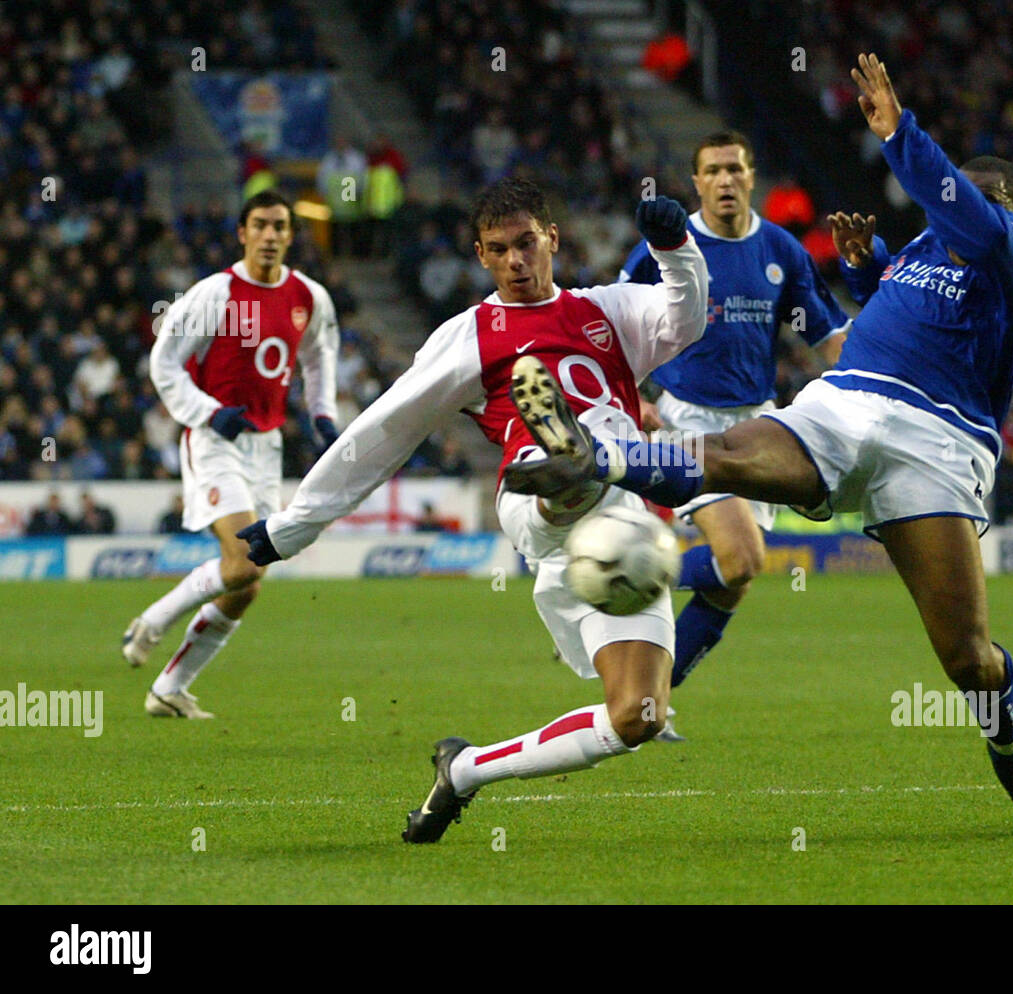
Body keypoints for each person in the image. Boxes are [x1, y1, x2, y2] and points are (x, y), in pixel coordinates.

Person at [506, 54, 1013, 834]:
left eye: (976, 200)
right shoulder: (926, 251)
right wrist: (871, 269)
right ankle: (599, 458)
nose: (960, 211)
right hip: (844, 401)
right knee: (729, 456)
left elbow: (972, 232)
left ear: (1012, 206)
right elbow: (901, 315)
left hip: (937, 443)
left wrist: (900, 135)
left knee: (968, 659)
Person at [237, 177, 708, 843]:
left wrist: (676, 249)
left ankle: (464, 770)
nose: (516, 262)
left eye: (526, 245)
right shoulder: (470, 335)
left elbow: (685, 322)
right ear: (480, 257)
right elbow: (383, 431)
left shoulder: (608, 311)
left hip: (625, 532)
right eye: (499, 251)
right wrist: (293, 525)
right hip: (532, 501)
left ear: (551, 238)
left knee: (640, 717)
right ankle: (567, 467)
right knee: (567, 477)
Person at [619, 130, 850, 694]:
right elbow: (614, 327)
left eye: (735, 169)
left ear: (751, 177)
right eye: (714, 171)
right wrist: (635, 400)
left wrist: (872, 386)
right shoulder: (668, 246)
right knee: (742, 557)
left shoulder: (781, 250)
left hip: (757, 424)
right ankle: (617, 571)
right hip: (686, 422)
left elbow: (828, 334)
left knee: (730, 583)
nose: (725, 180)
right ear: (697, 183)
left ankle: (648, 699)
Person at [120, 190, 340, 719]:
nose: (269, 235)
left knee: (249, 580)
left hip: (266, 447)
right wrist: (206, 411)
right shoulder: (214, 293)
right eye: (260, 225)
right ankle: (153, 619)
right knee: (242, 561)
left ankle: (169, 688)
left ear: (291, 235)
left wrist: (323, 416)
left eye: (279, 226)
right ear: (242, 233)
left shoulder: (309, 297)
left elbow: (319, 358)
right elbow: (164, 362)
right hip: (215, 440)